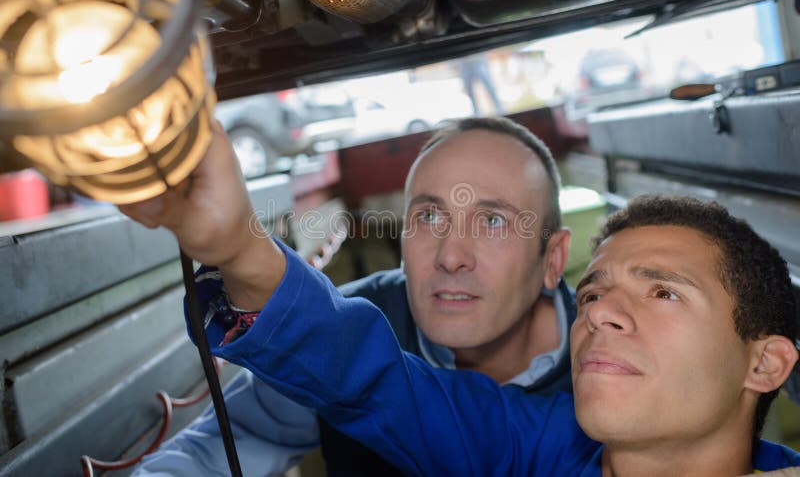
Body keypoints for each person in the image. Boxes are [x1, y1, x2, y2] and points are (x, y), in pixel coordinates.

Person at [123, 124, 800, 475]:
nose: (598, 311)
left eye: (662, 291)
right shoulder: (529, 441)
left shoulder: (556, 428)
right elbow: (366, 376)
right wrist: (240, 251)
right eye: (427, 217)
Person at [131, 116, 573, 475]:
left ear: (553, 260)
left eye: (492, 222)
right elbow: (213, 451)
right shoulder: (351, 316)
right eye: (428, 217)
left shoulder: (602, 356)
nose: (451, 256)